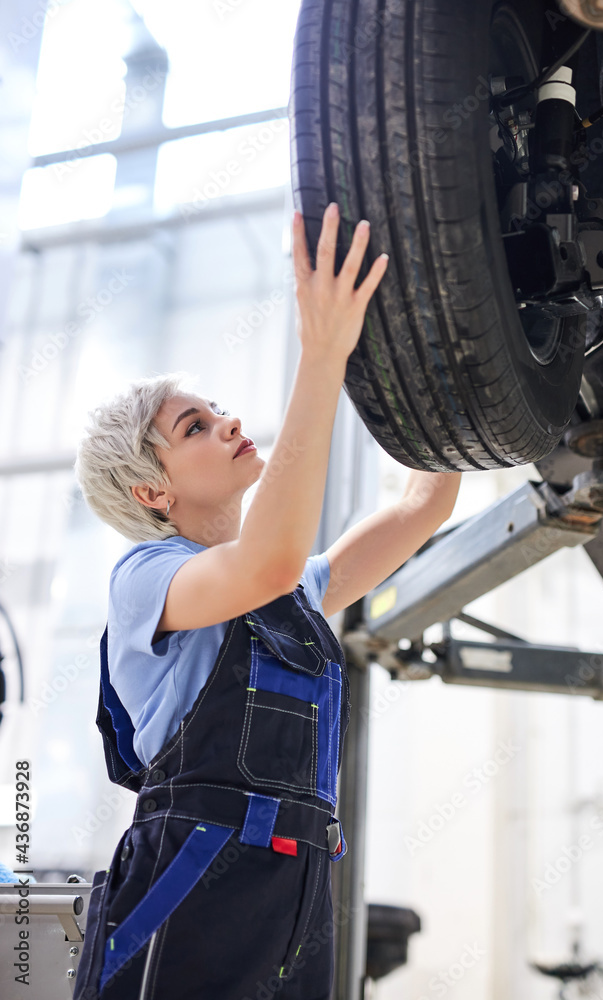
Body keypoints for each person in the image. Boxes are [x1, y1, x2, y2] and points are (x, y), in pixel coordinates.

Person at [72, 202, 462, 999]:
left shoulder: (295, 591)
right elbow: (268, 560)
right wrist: (322, 355)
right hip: (189, 884)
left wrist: (441, 352)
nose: (228, 423)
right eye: (196, 426)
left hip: (297, 887)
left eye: (217, 411)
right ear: (152, 490)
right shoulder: (146, 576)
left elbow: (423, 508)